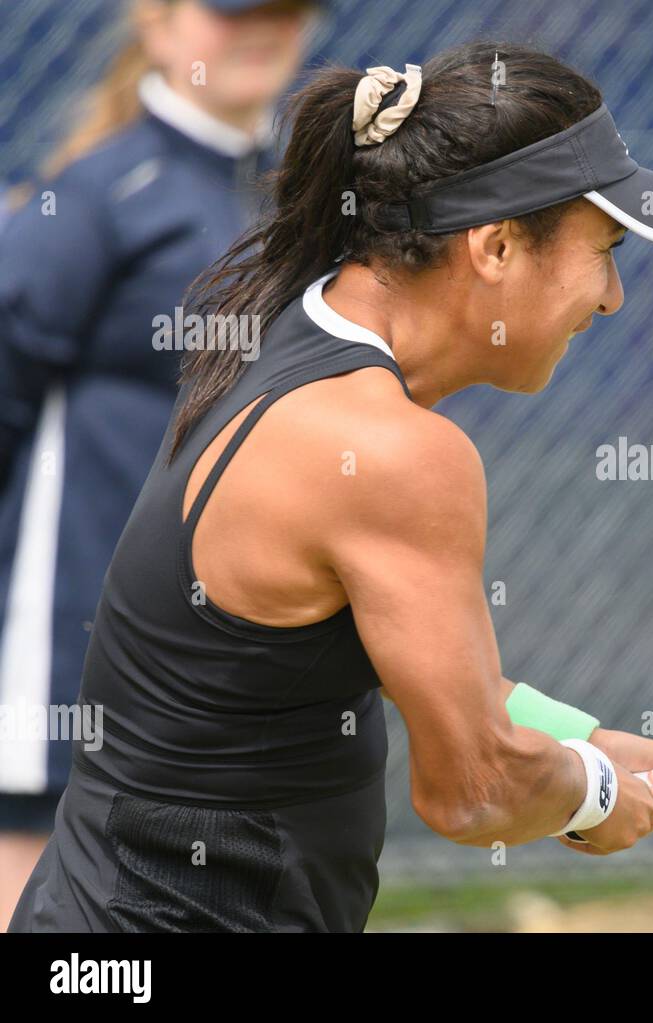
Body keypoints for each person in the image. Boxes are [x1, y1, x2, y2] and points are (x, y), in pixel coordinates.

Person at [8, 38, 653, 933]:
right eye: (605, 249)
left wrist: (578, 739)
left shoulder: (295, 319)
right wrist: (602, 792)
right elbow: (474, 788)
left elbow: (412, 669)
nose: (613, 296)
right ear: (496, 246)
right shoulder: (390, 452)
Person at [0, 0, 319, 930]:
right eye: (232, 12)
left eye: (284, 11)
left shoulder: (290, 196)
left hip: (202, 637)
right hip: (66, 625)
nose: (260, 30)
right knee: (36, 871)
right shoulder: (101, 192)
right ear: (159, 20)